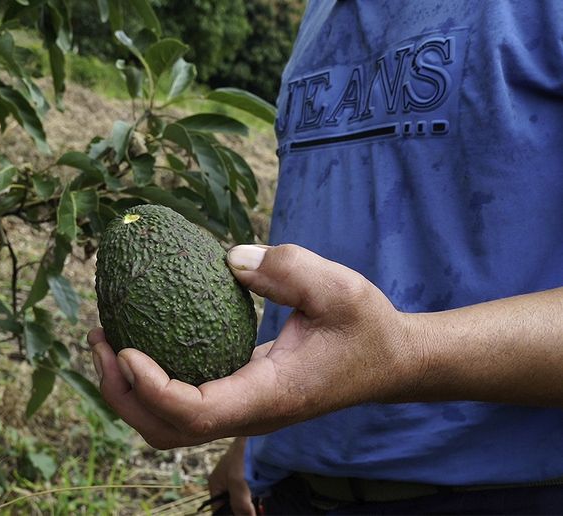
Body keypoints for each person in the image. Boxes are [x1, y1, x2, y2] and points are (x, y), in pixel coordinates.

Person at [88, 0, 563, 513]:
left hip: (500, 492)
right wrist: (251, 442)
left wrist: (406, 354)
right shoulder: (320, 17)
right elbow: (319, 250)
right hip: (292, 486)